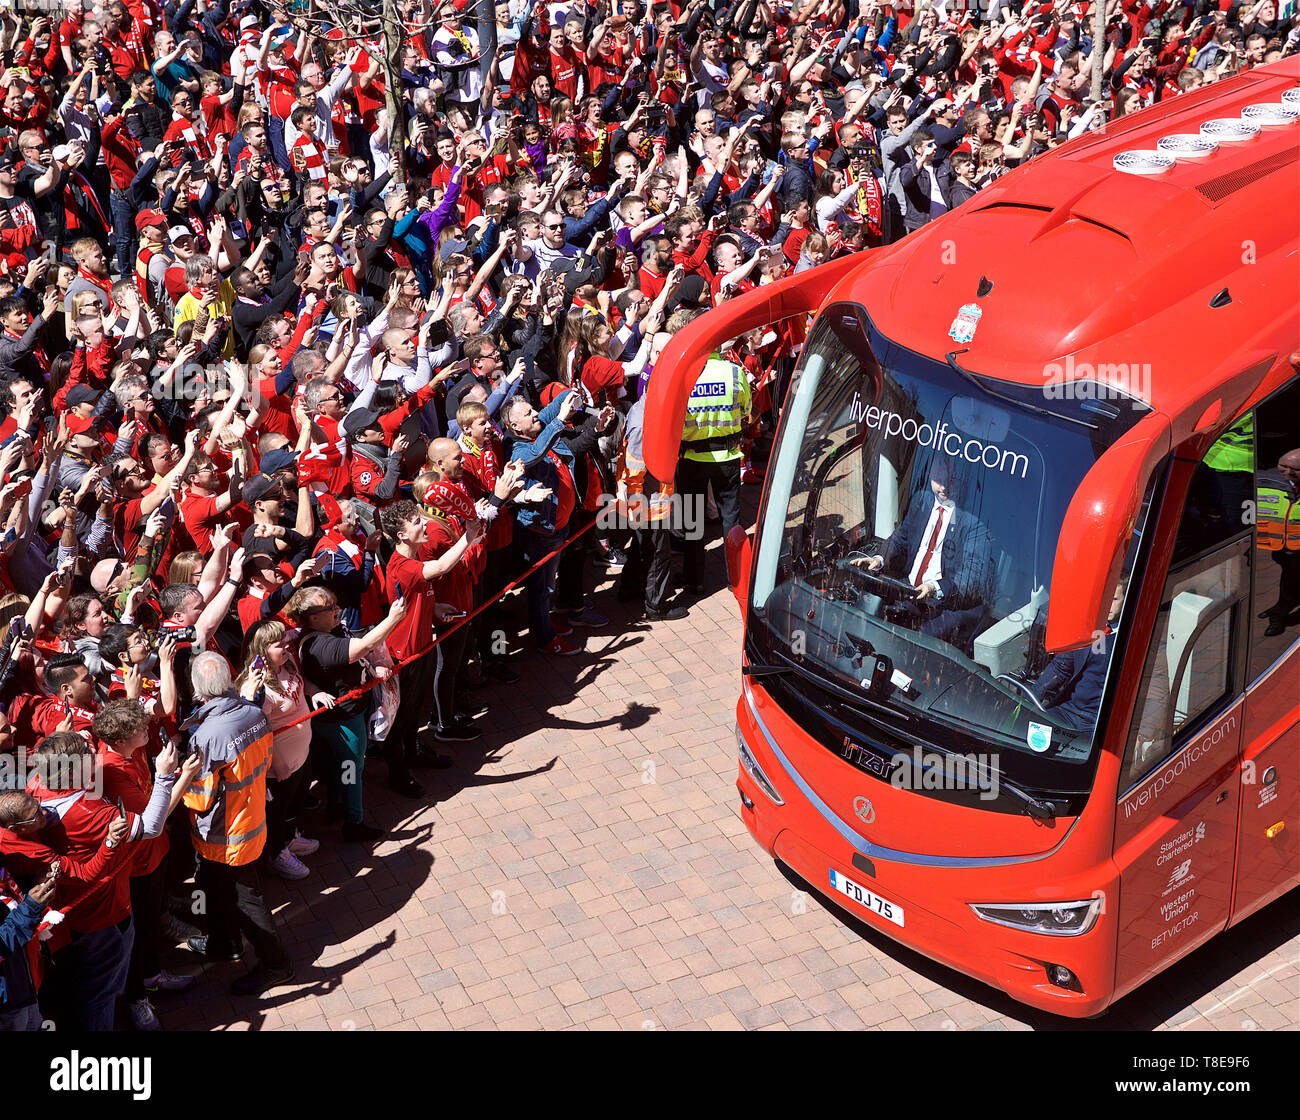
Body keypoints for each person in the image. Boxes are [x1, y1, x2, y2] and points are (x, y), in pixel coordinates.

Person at [181, 652, 293, 996]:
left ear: (198, 691)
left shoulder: (208, 735)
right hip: (251, 820)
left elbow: (198, 798)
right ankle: (224, 945)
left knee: (246, 899)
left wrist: (173, 781)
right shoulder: (253, 713)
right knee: (219, 890)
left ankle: (276, 964)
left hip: (225, 835)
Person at [852, 459, 995, 649]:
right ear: (930, 475)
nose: (944, 486)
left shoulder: (974, 526)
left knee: (912, 644)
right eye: (939, 479)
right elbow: (900, 538)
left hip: (941, 606)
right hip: (908, 590)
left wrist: (934, 587)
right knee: (864, 613)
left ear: (962, 480)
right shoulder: (921, 500)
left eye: (951, 480)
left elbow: (971, 577)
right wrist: (878, 558)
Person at [674, 307, 750, 594]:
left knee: (692, 522)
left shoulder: (684, 373)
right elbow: (746, 411)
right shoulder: (734, 372)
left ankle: (694, 579)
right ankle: (736, 577)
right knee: (731, 518)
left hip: (692, 457)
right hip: (728, 456)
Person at [1257, 448, 1300, 638]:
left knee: (1291, 579)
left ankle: (1278, 614)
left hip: (1296, 547)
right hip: (1279, 545)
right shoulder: (1265, 481)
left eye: (1295, 469)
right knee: (1289, 577)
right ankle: (1284, 605)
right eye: (1284, 466)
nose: (1288, 473)